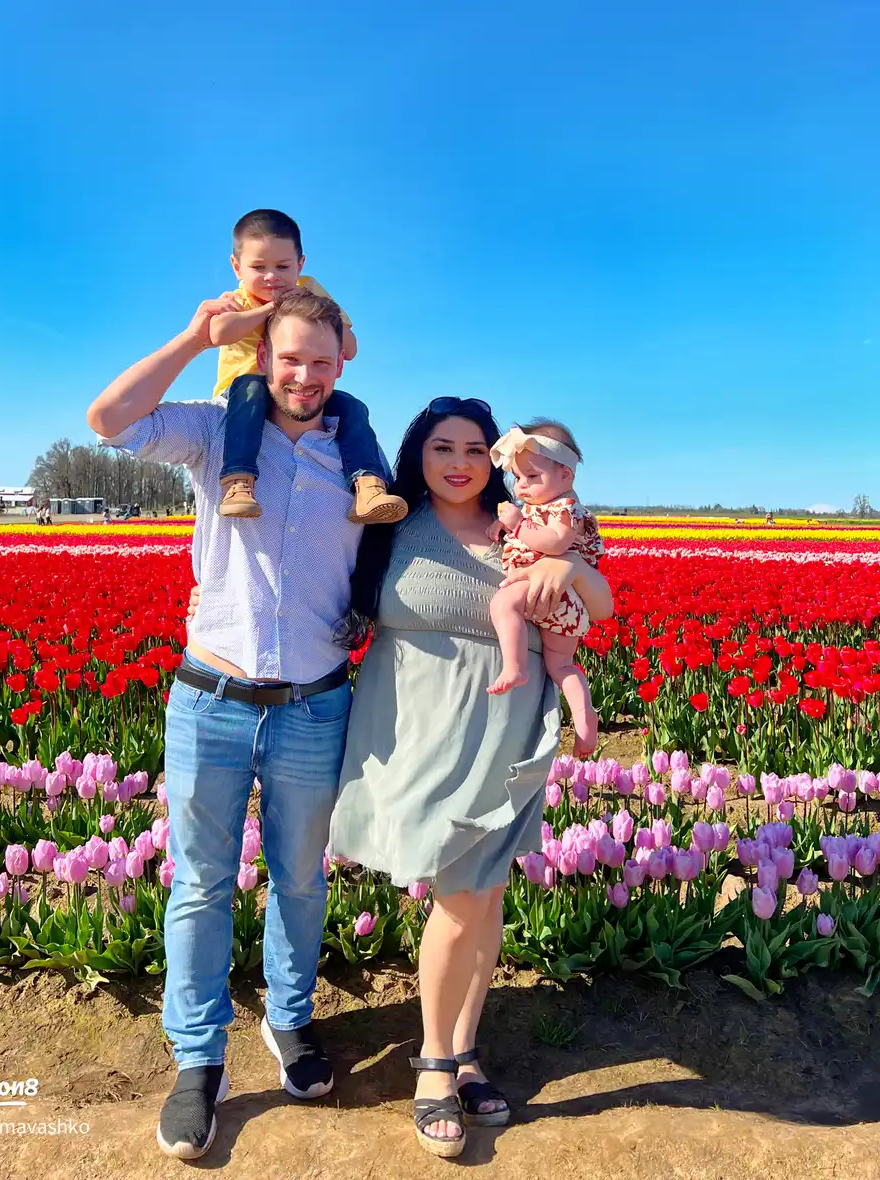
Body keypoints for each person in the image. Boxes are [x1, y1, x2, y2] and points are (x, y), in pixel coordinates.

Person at [86, 288, 368, 1162]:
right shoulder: (217, 435)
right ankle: (197, 1059)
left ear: (342, 363)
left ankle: (289, 1022)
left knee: (300, 880)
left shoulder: (359, 460)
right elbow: (108, 419)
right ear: (263, 354)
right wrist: (196, 336)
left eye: (322, 362)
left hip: (315, 704)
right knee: (202, 885)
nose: (306, 376)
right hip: (210, 699)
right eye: (290, 358)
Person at [328, 398, 614, 1159]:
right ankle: (433, 1064)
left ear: (499, 458)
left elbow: (603, 608)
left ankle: (458, 1051)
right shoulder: (386, 527)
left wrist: (567, 564)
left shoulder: (518, 528)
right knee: (457, 899)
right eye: (442, 447)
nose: (459, 462)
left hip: (506, 729)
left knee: (479, 897)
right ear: (417, 454)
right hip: (415, 732)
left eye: (476, 450)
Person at [208, 208, 406, 526]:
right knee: (251, 387)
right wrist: (274, 308)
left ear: (300, 264)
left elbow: (350, 349)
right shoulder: (238, 300)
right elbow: (218, 334)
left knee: (352, 407)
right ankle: (238, 482)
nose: (272, 277)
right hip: (245, 392)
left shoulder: (309, 289)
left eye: (283, 266)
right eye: (258, 267)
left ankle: (368, 487)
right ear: (237, 267)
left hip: (299, 391)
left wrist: (321, 314)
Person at [485, 421, 602, 757]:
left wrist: (517, 525)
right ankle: (584, 722)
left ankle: (515, 666)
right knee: (563, 667)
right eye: (518, 478)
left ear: (566, 475)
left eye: (532, 477)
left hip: (553, 593)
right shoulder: (542, 506)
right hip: (563, 606)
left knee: (503, 605)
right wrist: (502, 526)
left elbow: (556, 543)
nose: (522, 486)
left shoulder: (564, 509)